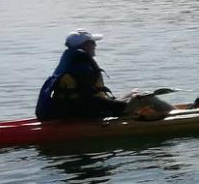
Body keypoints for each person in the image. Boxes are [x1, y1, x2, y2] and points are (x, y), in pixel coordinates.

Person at [35, 30, 171, 122]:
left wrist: (121, 100)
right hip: (87, 114)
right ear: (84, 45)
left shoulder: (71, 62)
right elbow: (88, 100)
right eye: (92, 42)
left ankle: (170, 112)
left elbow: (90, 96)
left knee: (135, 92)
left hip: (82, 109)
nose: (95, 45)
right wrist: (119, 106)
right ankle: (180, 115)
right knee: (145, 97)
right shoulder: (81, 69)